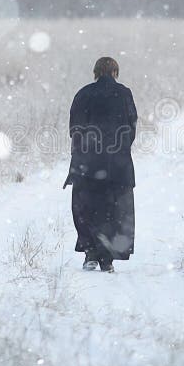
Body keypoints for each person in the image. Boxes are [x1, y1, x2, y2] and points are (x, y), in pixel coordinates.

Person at [63, 57, 138, 273]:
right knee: (115, 210)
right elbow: (131, 127)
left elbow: (74, 128)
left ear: (95, 73)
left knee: (87, 208)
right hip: (117, 164)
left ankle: (90, 254)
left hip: (87, 163)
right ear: (115, 72)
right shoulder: (124, 93)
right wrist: (120, 149)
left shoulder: (83, 94)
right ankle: (107, 260)